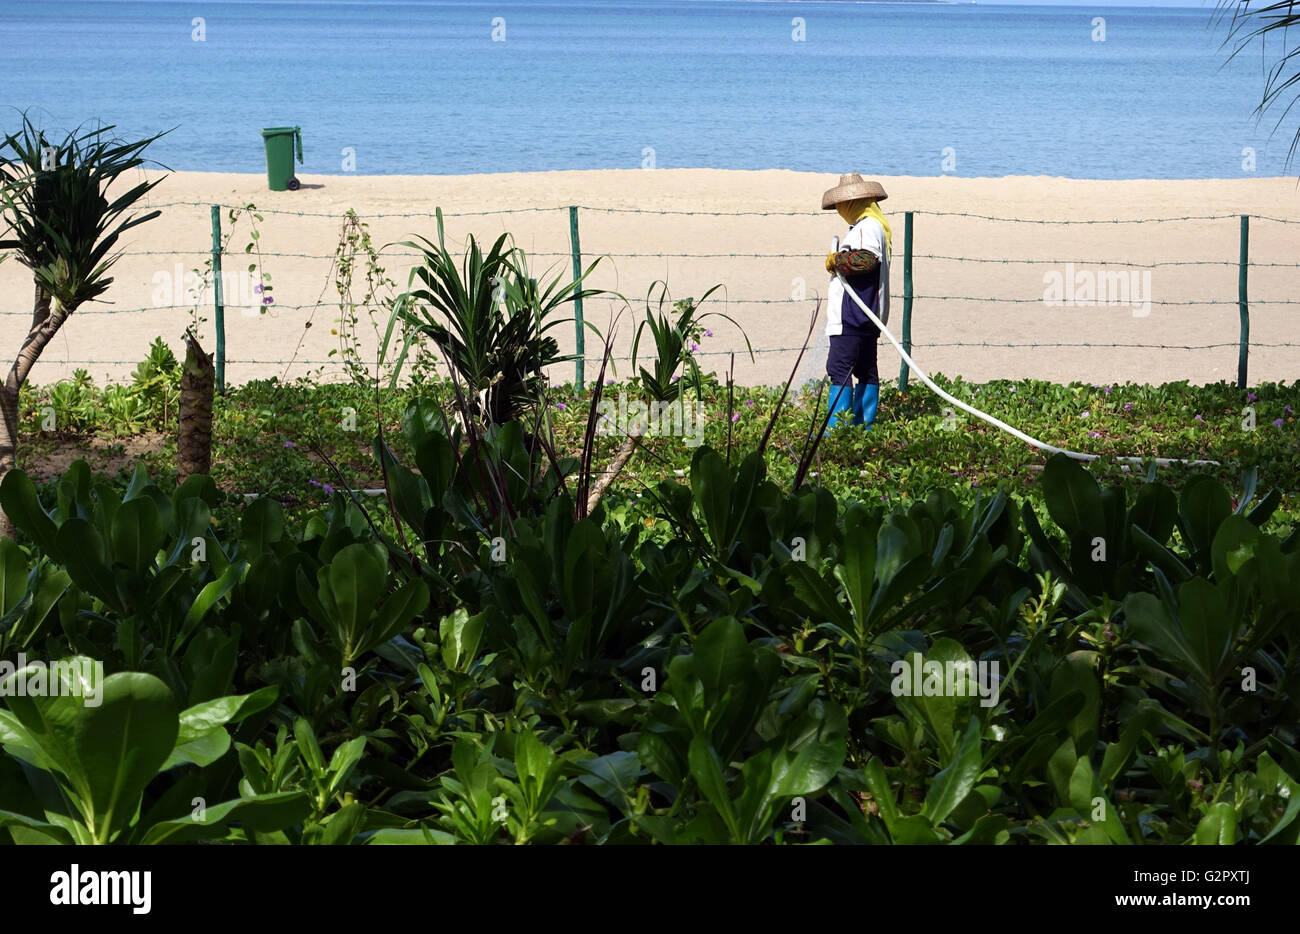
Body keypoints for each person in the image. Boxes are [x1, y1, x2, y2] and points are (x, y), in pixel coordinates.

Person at [821, 174, 892, 432]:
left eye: (843, 203)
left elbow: (866, 260)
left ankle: (837, 432)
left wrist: (837, 261)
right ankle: (864, 429)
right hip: (866, 316)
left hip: (852, 315)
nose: (840, 209)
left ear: (855, 202)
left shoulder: (867, 227)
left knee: (839, 370)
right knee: (866, 370)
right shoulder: (871, 226)